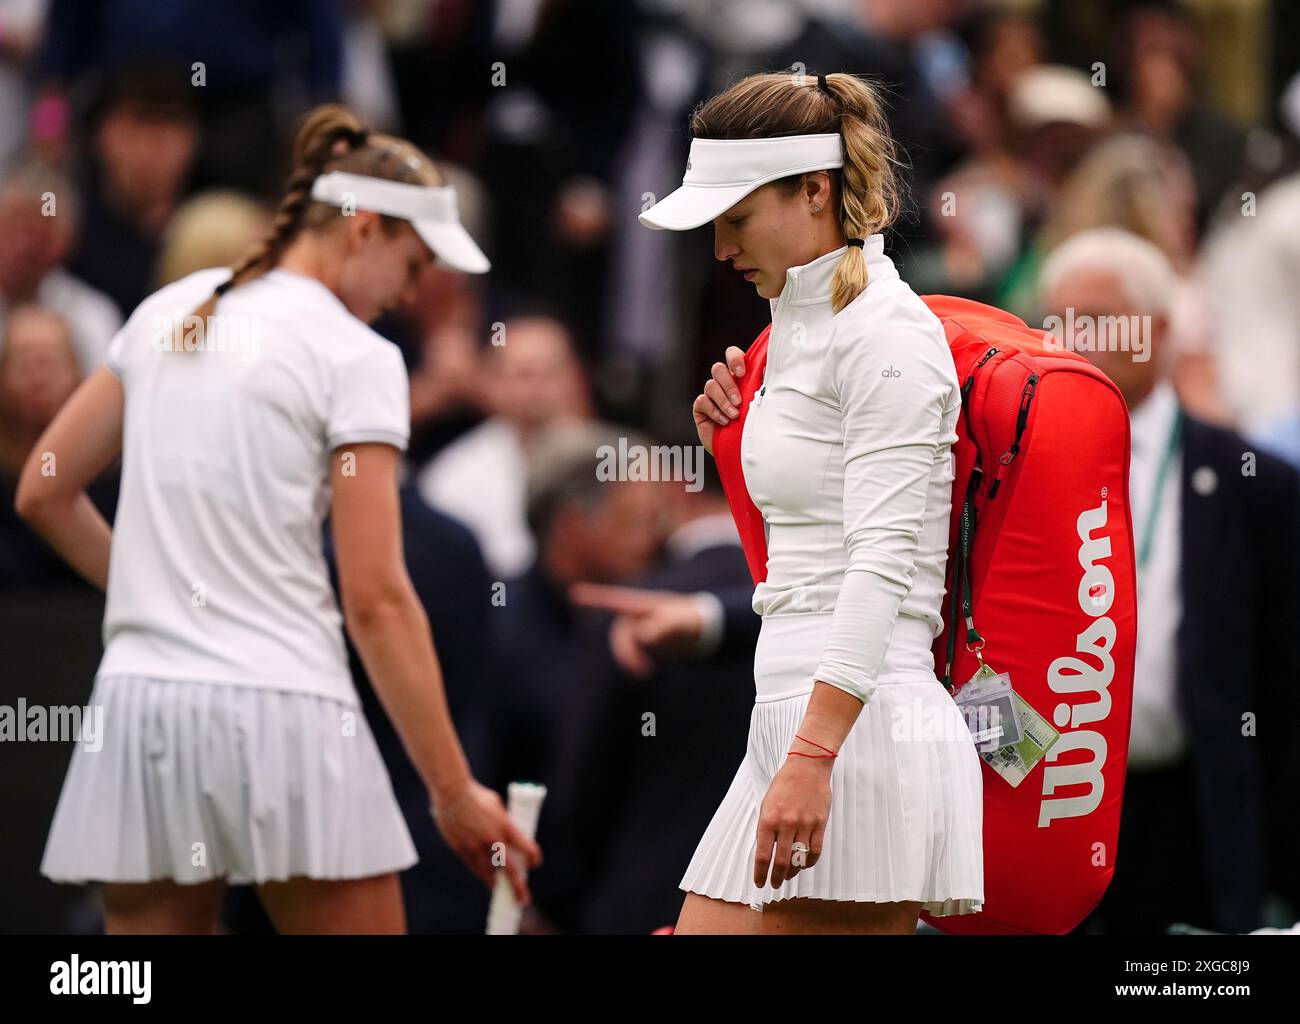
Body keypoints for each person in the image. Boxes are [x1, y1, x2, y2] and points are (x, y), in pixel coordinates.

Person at [15, 104, 539, 935]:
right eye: (412, 266)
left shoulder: (165, 312)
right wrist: (451, 789)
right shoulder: (358, 357)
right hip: (288, 716)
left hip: (143, 713)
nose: (411, 295)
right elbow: (377, 598)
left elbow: (42, 489)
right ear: (363, 227)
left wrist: (158, 592)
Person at [639, 70, 984, 935]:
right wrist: (733, 445)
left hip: (854, 739)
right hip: (793, 727)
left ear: (816, 190)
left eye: (736, 218)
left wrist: (814, 756)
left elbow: (878, 568)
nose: (720, 247)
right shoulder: (789, 327)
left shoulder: (889, 336)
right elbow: (802, 552)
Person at [1040, 227, 1300, 933]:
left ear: (1155, 330)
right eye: (1057, 321)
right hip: (1048, 805)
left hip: (1190, 815)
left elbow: (1281, 682)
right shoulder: (1012, 469)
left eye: (1094, 319)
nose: (1071, 339)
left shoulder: (1255, 486)